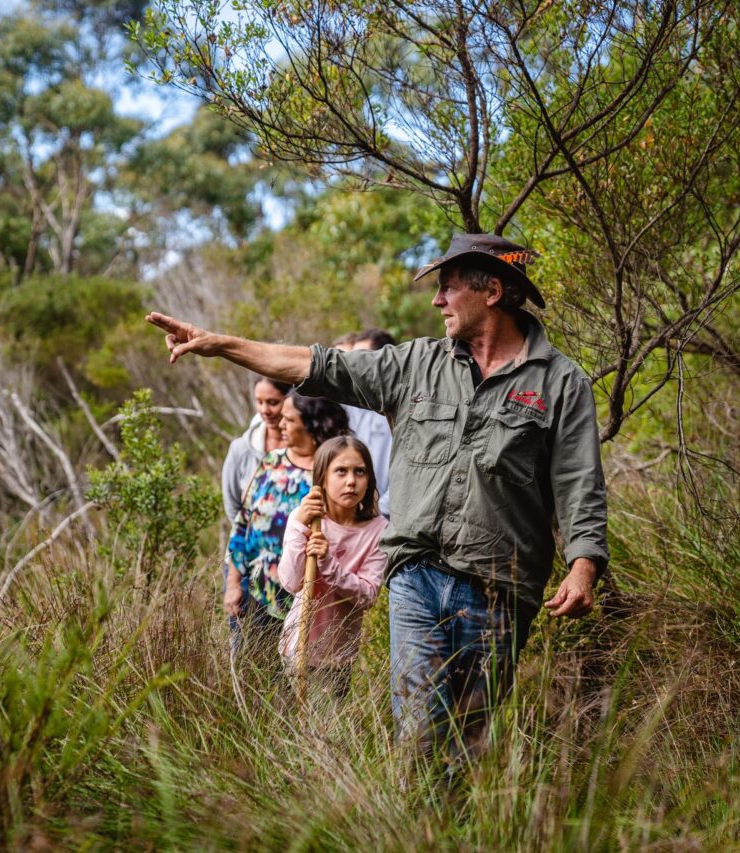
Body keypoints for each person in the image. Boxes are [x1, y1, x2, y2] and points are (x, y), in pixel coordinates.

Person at [148, 232, 607, 766]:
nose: (437, 301)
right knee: (416, 733)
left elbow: (579, 481)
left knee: (470, 740)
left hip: (501, 584)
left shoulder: (561, 382)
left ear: (493, 292)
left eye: (448, 287)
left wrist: (582, 568)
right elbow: (314, 365)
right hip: (416, 574)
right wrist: (218, 343)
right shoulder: (415, 364)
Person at [224, 391, 349, 662]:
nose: (280, 424)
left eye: (289, 419)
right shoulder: (272, 462)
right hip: (259, 595)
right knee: (254, 681)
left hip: (310, 605)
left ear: (312, 424)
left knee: (303, 684)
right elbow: (243, 523)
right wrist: (233, 582)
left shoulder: (336, 472)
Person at [277, 436, 389, 696]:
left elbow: (367, 595)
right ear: (322, 479)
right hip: (296, 648)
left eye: (359, 472)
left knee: (325, 732)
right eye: (341, 471)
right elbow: (291, 582)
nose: (351, 481)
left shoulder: (378, 530)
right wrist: (298, 527)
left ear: (369, 479)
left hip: (337, 658)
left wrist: (328, 562)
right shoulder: (307, 519)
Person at [334, 329, 395, 517]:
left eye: (362, 358)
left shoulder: (400, 407)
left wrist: (379, 510)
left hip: (388, 518)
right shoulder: (344, 406)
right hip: (351, 515)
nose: (354, 366)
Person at [220, 376, 290, 523]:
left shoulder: (307, 449)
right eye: (259, 402)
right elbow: (232, 505)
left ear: (289, 400)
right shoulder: (240, 449)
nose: (265, 410)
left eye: (273, 402)